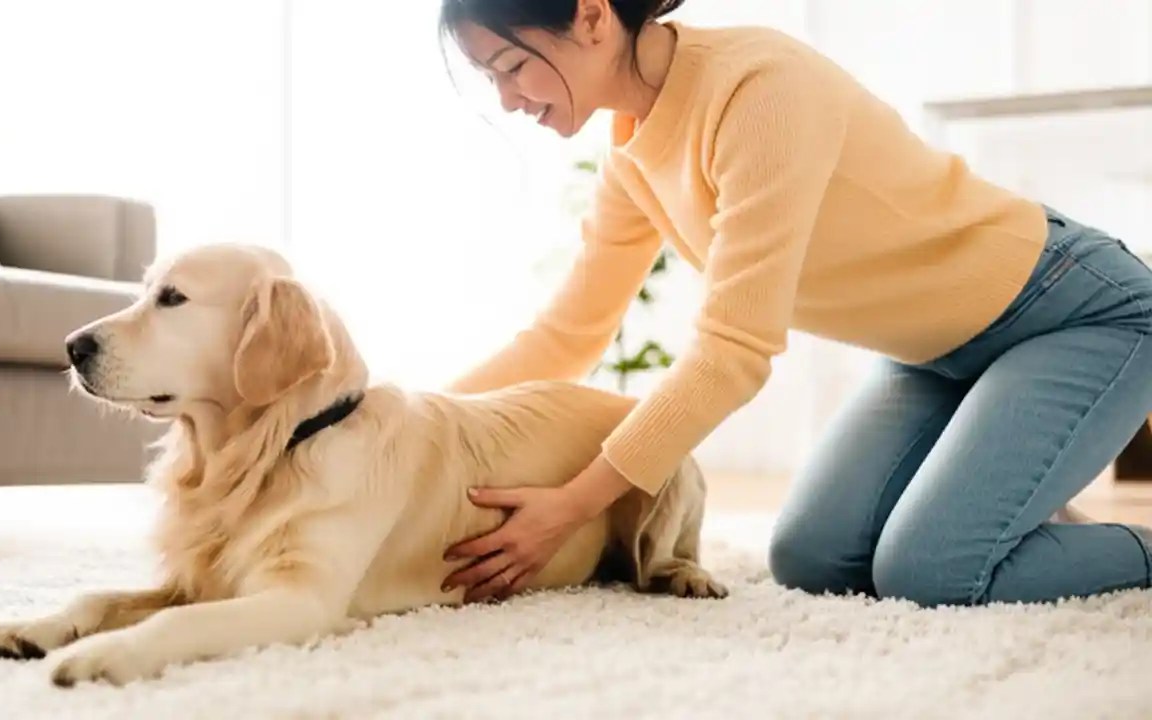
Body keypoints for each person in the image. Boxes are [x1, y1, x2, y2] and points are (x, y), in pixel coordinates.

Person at [435, 0, 1152, 607]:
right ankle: (1012, 499)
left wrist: (571, 506)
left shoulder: (757, 88)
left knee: (932, 570)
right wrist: (408, 417)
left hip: (1077, 311)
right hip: (934, 355)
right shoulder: (631, 159)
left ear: (590, 16)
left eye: (511, 66)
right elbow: (567, 335)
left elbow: (731, 354)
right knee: (813, 557)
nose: (508, 98)